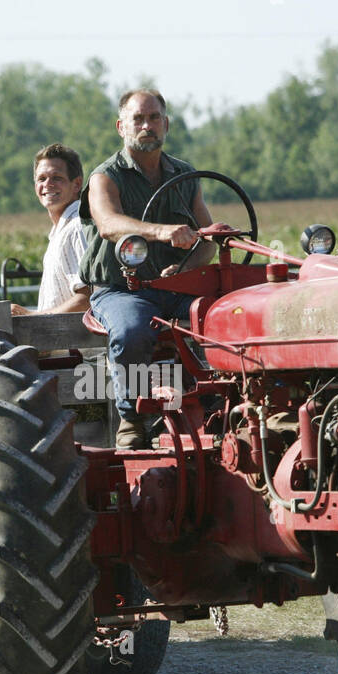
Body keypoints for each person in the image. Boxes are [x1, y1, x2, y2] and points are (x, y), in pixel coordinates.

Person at [79, 89, 220, 448]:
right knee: (131, 331)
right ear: (121, 126)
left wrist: (187, 266)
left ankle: (218, 408)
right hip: (121, 289)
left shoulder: (185, 176)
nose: (146, 126)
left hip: (175, 289)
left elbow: (207, 241)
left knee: (223, 319)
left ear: (166, 124)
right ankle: (132, 419)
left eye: (154, 118)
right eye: (138, 119)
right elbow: (109, 224)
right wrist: (161, 232)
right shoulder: (105, 176)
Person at [11, 143, 91, 316]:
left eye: (57, 178)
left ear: (76, 184)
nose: (47, 184)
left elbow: (89, 298)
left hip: (78, 342)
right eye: (41, 179)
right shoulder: (61, 230)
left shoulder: (76, 228)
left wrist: (32, 316)